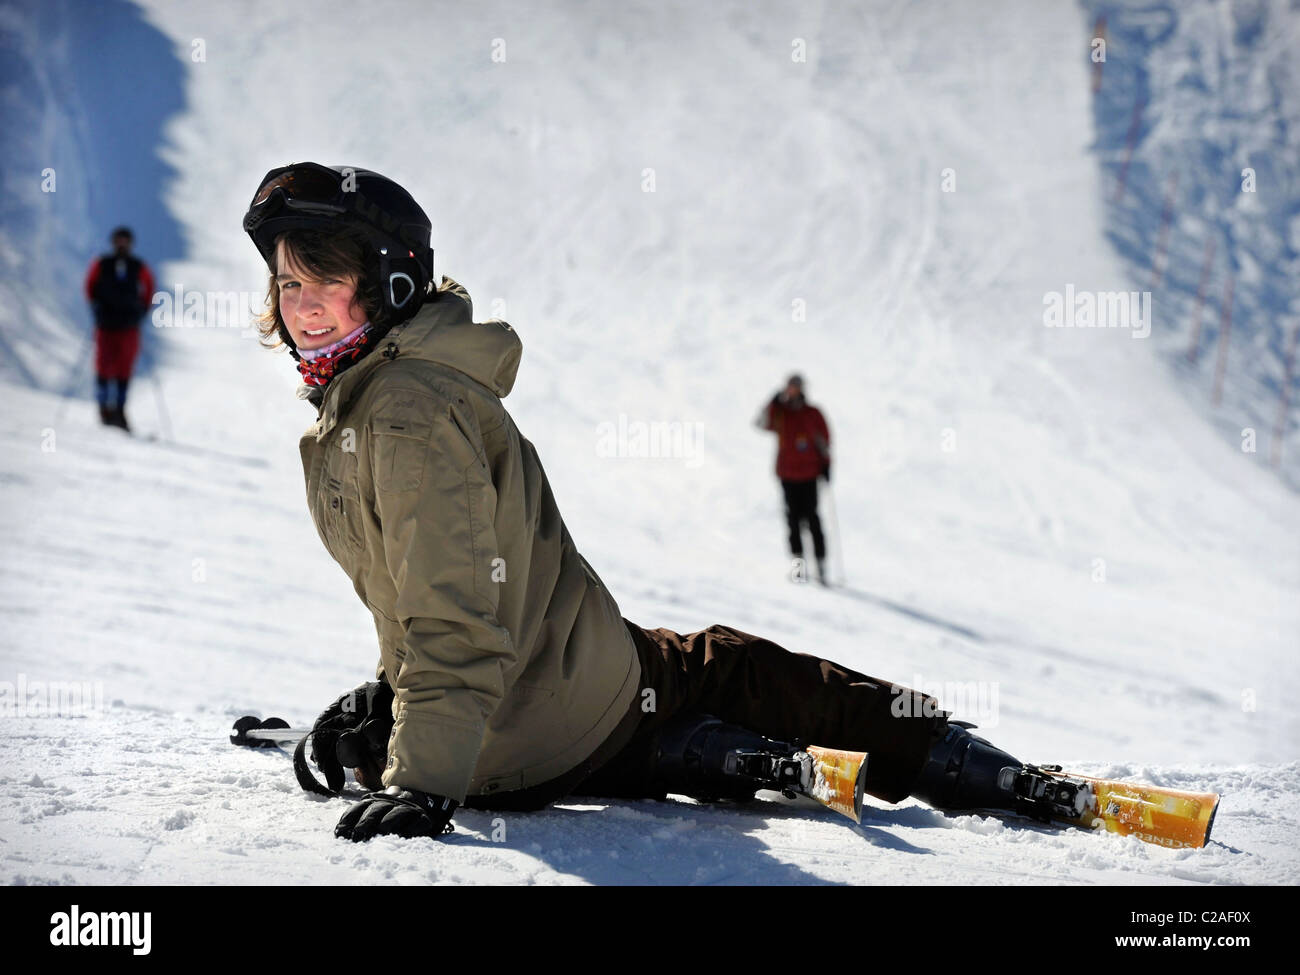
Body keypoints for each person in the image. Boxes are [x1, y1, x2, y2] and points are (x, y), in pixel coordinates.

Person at [243, 163, 1032, 843]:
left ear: (388, 283)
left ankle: (688, 748)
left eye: (326, 281)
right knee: (721, 664)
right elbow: (442, 606)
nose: (303, 305)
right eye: (289, 283)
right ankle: (947, 755)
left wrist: (407, 732)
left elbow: (432, 594)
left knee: (651, 696)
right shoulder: (399, 403)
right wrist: (417, 771)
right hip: (556, 716)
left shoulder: (382, 404)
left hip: (494, 739)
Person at [755, 374, 832, 584]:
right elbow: (761, 424)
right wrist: (772, 402)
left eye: (797, 386)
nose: (793, 390)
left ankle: (821, 567)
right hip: (788, 475)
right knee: (793, 521)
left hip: (809, 474)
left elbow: (824, 441)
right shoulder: (780, 412)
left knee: (813, 519)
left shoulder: (812, 413)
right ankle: (798, 567)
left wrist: (826, 465)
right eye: (790, 386)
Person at [83, 226, 154, 431]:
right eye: (119, 240)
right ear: (113, 242)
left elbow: (149, 287)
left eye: (125, 240)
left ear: (130, 243)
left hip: (129, 326)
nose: (122, 244)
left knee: (124, 368)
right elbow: (90, 286)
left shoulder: (138, 266)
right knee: (103, 366)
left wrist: (142, 310)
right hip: (106, 325)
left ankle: (120, 411)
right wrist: (96, 306)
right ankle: (104, 409)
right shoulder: (102, 263)